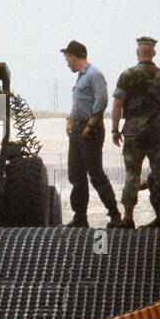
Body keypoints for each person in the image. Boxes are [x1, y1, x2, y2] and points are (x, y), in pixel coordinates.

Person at [111, 36, 160, 228]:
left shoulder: (127, 75)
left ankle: (128, 217)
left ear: (138, 52)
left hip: (134, 132)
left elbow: (117, 103)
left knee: (132, 174)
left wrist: (115, 130)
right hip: (158, 132)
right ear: (153, 53)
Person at [61, 39, 121, 228]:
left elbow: (101, 101)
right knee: (76, 175)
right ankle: (80, 216)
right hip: (78, 130)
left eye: (67, 58)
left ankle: (114, 215)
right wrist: (71, 119)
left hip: (90, 131)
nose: (67, 62)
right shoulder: (81, 77)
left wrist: (91, 125)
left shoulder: (94, 75)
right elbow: (79, 104)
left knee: (95, 174)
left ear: (73, 57)